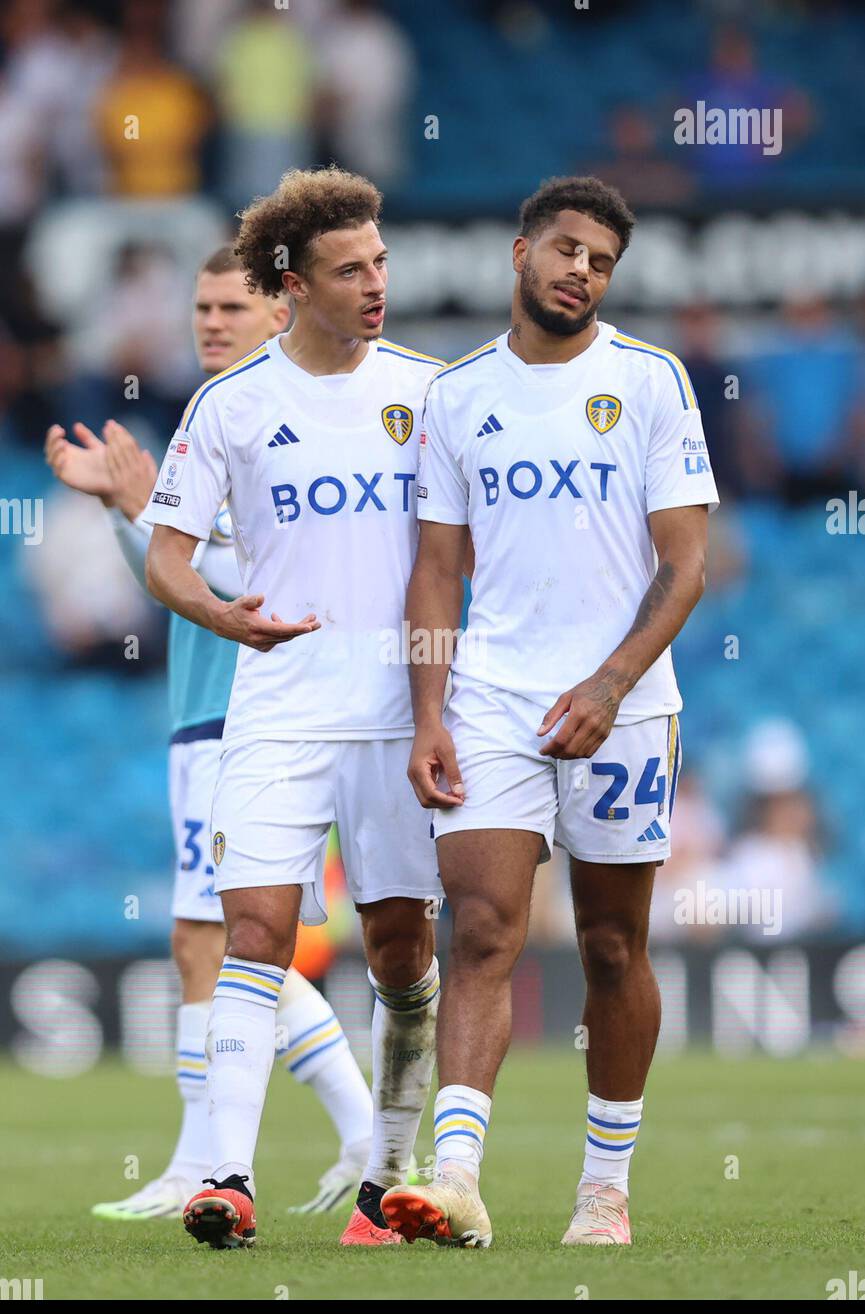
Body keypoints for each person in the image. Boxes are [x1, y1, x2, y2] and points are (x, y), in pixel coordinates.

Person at [383, 175, 719, 1248]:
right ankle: (458, 1178)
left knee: (613, 947)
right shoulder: (454, 394)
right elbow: (437, 570)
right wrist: (429, 712)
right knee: (480, 927)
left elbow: (685, 565)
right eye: (567, 249)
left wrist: (611, 684)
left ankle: (603, 1187)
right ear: (520, 253)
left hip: (623, 704)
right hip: (489, 699)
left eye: (603, 262)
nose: (582, 271)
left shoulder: (652, 381)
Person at [143, 168, 445, 1250]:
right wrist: (229, 620)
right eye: (349, 270)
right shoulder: (230, 406)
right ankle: (225, 1179)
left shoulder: (429, 390)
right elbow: (168, 560)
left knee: (401, 946)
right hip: (274, 710)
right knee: (256, 932)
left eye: (379, 264)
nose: (375, 284)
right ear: (292, 282)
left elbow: (462, 558)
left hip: (398, 718)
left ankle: (388, 1182)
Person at [45, 244, 377, 1219]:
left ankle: (318, 1135)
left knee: (229, 940)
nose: (209, 322)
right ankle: (213, 1153)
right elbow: (176, 573)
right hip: (203, 706)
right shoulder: (213, 425)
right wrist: (126, 508)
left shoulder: (279, 424)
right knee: (210, 939)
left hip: (258, 713)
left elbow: (250, 575)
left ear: (282, 313)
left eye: (232, 305)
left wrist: (142, 509)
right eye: (199, 305)